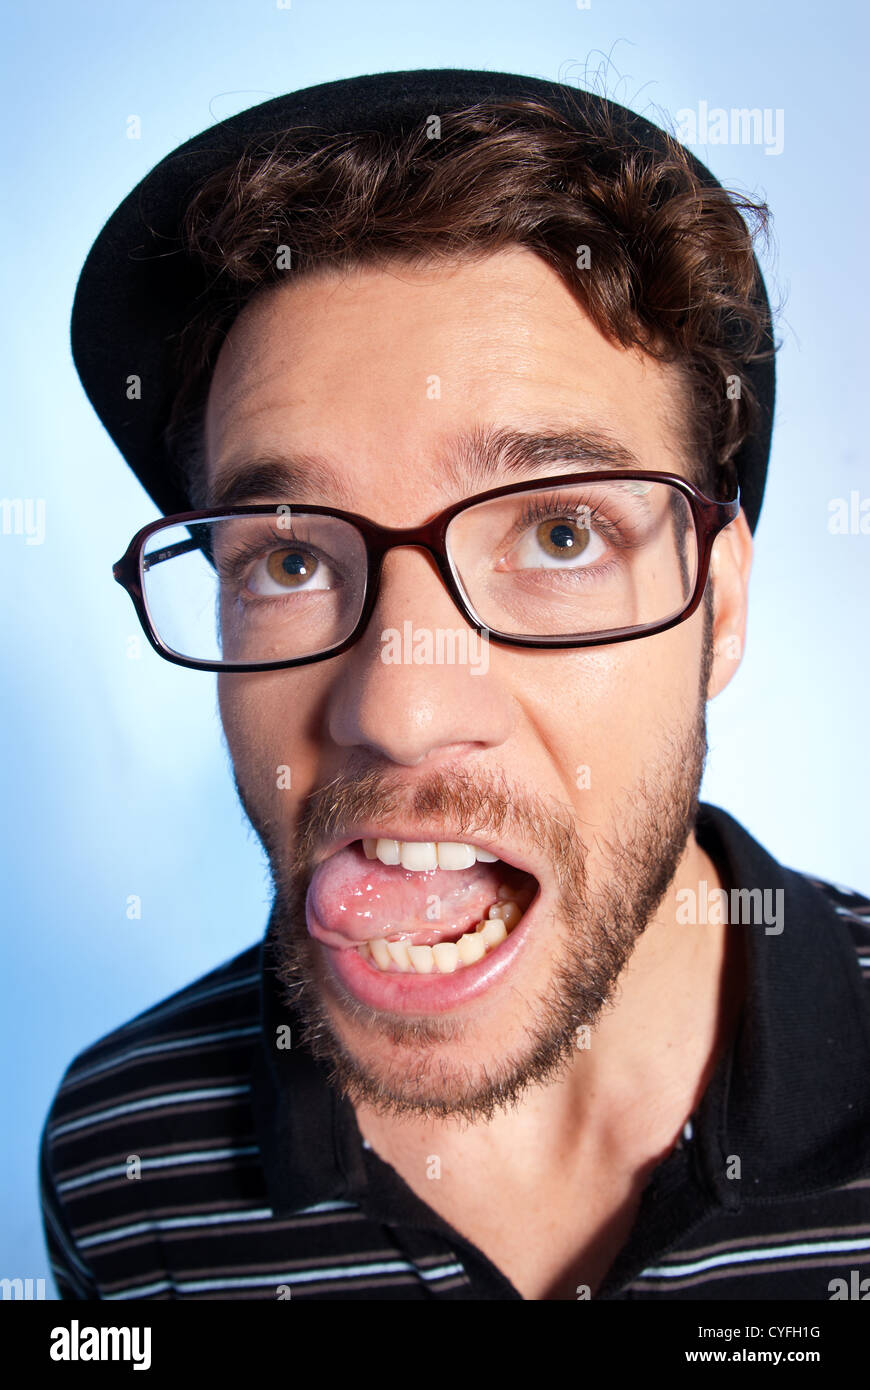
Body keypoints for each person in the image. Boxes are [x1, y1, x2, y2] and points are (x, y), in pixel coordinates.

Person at [40, 67, 870, 1302]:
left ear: (724, 606)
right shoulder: (124, 1159)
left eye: (560, 536)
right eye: (288, 556)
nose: (401, 707)